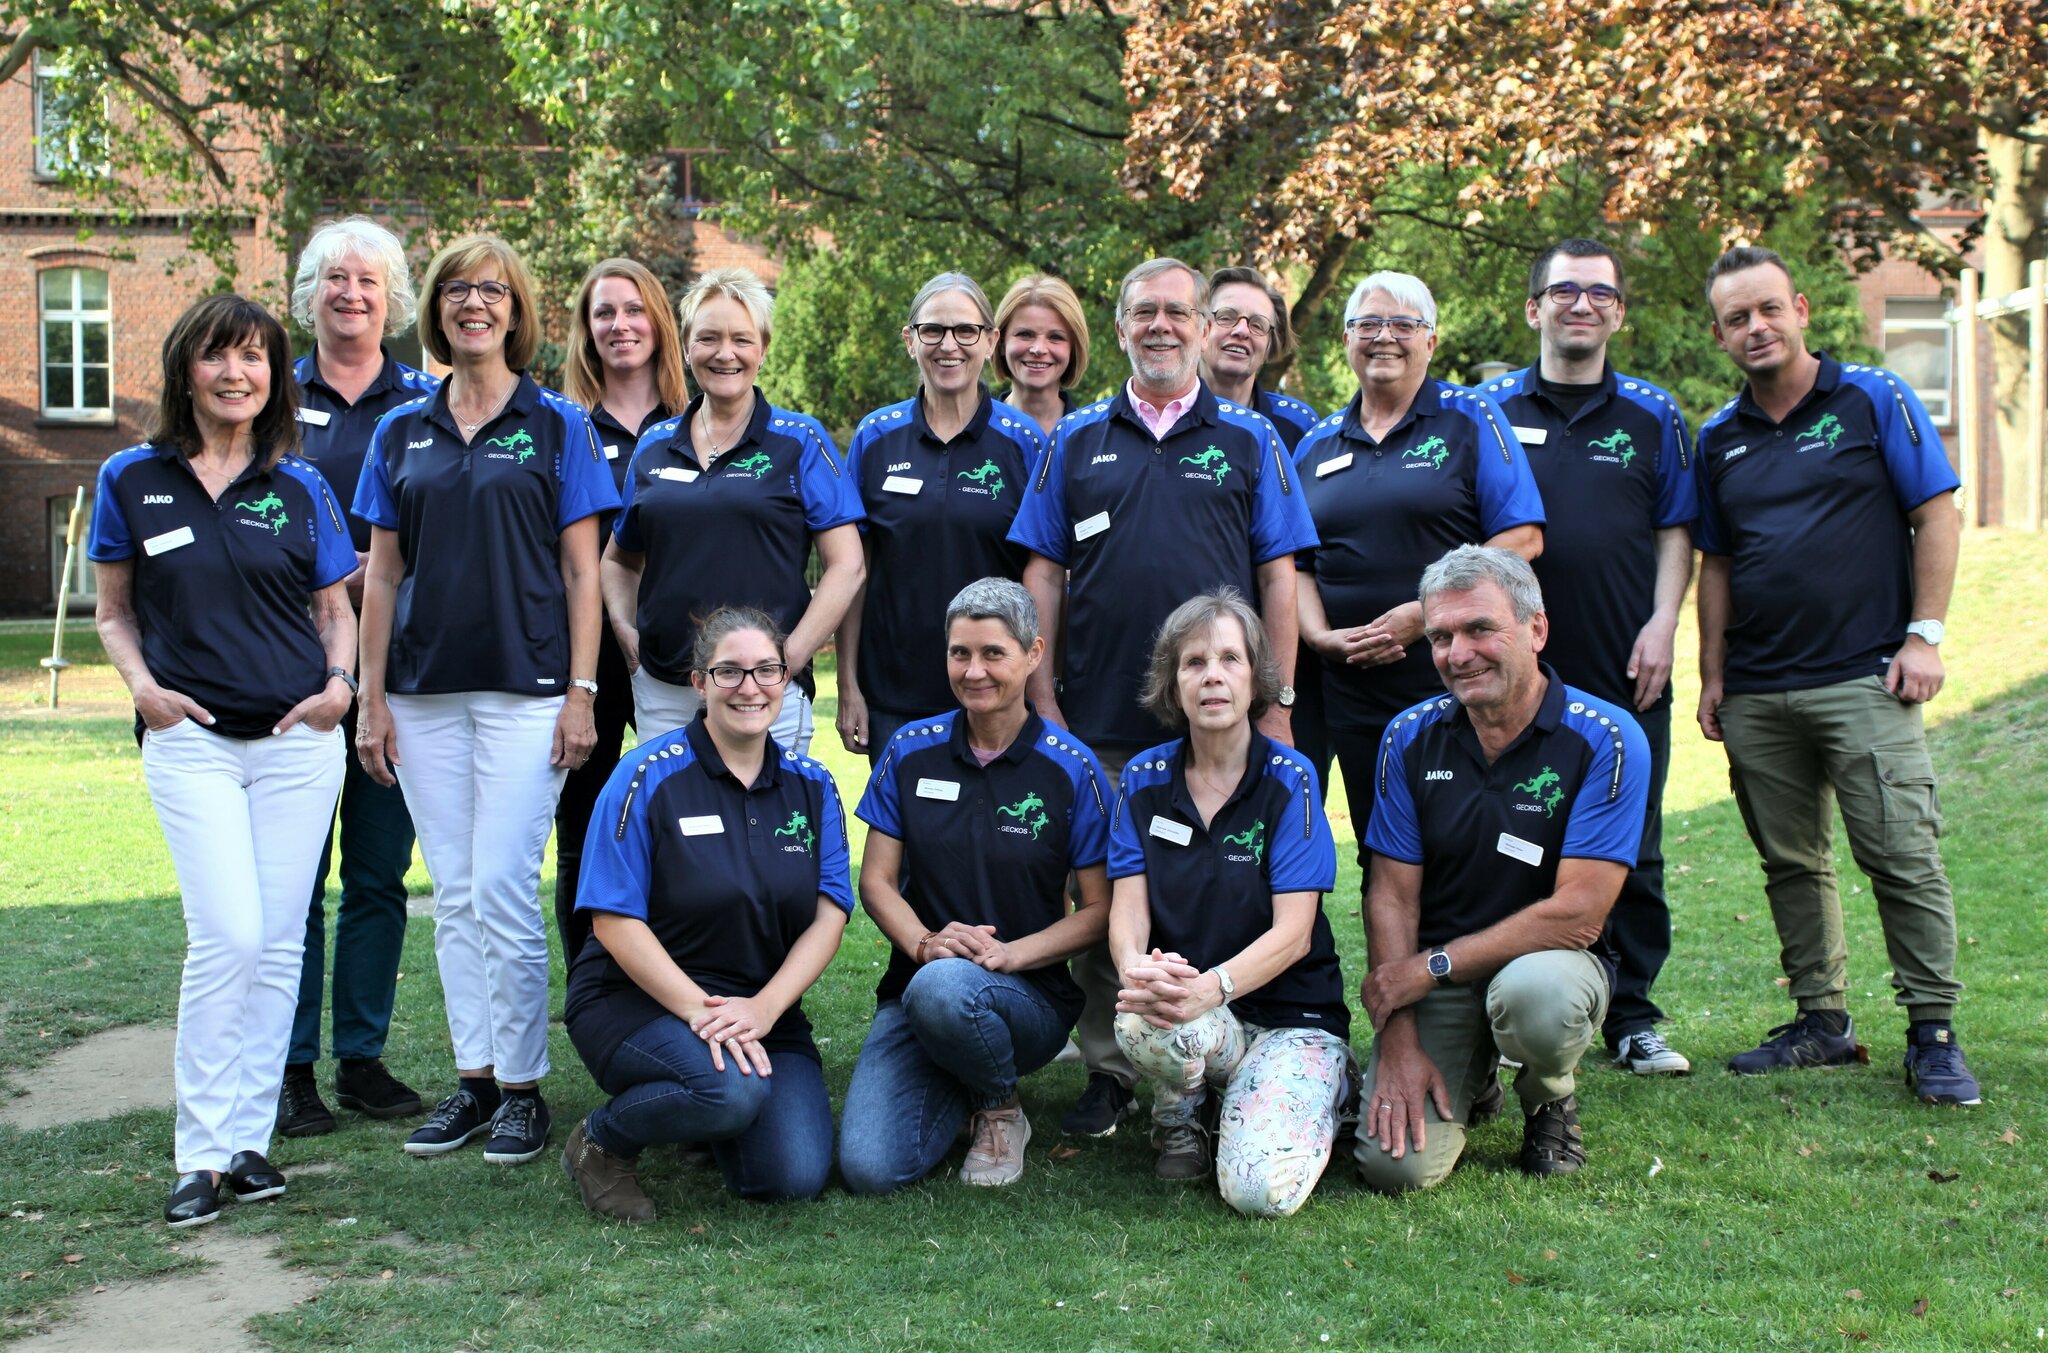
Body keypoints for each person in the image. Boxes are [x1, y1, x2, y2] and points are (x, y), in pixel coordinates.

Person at [1008, 257, 1319, 1140]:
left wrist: (1278, 703)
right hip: (1101, 721)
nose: (1161, 326)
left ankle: (1221, 1045)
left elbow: (1279, 577)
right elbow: (1042, 574)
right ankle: (1114, 1064)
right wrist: (1046, 703)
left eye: (1177, 312)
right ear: (1117, 328)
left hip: (1226, 719)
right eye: (1143, 311)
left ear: (1201, 323)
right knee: (1108, 895)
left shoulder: (1253, 439)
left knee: (1233, 882)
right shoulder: (1073, 442)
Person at [353, 233, 619, 1166]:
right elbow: (382, 578)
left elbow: (584, 574)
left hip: (527, 691)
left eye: (493, 290)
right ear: (435, 308)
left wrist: (583, 692)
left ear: (517, 311)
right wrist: (369, 699)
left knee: (506, 886)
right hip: (422, 695)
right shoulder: (400, 431)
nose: (475, 303)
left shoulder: (561, 428)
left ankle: (522, 1089)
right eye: (458, 290)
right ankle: (472, 1081)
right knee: (455, 893)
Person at [89, 294, 356, 1226]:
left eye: (254, 358)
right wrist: (143, 691)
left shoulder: (303, 485)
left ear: (275, 376)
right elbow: (113, 611)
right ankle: (197, 1153)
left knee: (279, 942)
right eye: (217, 357)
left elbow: (337, 609)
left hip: (296, 744)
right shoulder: (131, 477)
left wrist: (339, 686)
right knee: (228, 936)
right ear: (185, 370)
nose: (236, 374)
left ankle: (248, 1144)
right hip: (191, 741)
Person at [1694, 245, 1978, 1103]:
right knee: (1792, 862)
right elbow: (1717, 564)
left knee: (1900, 855)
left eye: (1768, 309)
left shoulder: (1874, 398)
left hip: (1866, 678)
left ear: (1802, 308)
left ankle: (1932, 1030)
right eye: (1737, 318)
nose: (1756, 327)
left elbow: (1934, 514)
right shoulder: (1716, 438)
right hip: (1758, 688)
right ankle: (1822, 1020)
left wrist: (1924, 636)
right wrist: (1712, 675)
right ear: (1719, 334)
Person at [1355, 546, 1649, 1191]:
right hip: (1436, 979)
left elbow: (1578, 913)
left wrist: (1430, 966)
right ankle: (1474, 1074)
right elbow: (1391, 897)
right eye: (1440, 636)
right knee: (1393, 1169)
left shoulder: (1607, 736)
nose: (1459, 654)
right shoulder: (1407, 736)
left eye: (1480, 628)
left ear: (1535, 629)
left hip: (1544, 966)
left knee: (1536, 998)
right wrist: (1399, 1040)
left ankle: (1548, 1096)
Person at [1477, 238, 1699, 1077]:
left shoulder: (1654, 413)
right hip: (1512, 678)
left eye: (1599, 293)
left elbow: (1676, 528)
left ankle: (1633, 1014)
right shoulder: (1485, 407)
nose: (1581, 304)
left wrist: (1664, 623)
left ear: (1618, 311)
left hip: (1623, 663)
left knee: (1633, 846)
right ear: (1533, 308)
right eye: (1562, 291)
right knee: (1507, 839)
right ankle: (1509, 1009)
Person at [562, 608, 852, 1219]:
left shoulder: (814, 785)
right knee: (730, 1089)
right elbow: (613, 921)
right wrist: (699, 1011)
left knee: (792, 1175)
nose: (750, 687)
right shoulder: (645, 775)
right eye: (729, 672)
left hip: (759, 1007)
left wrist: (765, 1008)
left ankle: (703, 1116)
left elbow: (830, 912)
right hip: (637, 1000)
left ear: (786, 678)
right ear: (699, 683)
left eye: (766, 670)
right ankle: (601, 1141)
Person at [839, 579, 1112, 1193]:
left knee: (946, 990)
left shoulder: (1072, 769)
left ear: (1034, 655)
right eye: (960, 653)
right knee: (871, 1167)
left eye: (994, 653)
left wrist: (1012, 954)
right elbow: (877, 880)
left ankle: (999, 1107)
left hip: (1030, 996)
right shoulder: (910, 751)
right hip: (920, 983)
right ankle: (959, 1074)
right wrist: (925, 944)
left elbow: (1101, 911)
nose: (974, 670)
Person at [1108, 590, 1349, 1216]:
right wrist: (1139, 970)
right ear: (1172, 681)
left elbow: (1295, 934)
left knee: (1257, 1193)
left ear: (1256, 677)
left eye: (1230, 659)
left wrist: (1209, 988)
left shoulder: (1291, 778)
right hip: (1197, 1010)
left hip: (1291, 1019)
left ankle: (1313, 1089)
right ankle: (1185, 1108)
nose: (1212, 675)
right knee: (1138, 1017)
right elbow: (1127, 908)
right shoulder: (1141, 779)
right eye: (1193, 662)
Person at [276, 216, 438, 1138]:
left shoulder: (424, 401)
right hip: (284, 675)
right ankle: (292, 1066)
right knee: (297, 876)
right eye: (333, 279)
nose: (350, 294)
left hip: (393, 673)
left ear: (393, 298)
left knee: (378, 872)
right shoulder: (269, 390)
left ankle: (362, 1056)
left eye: (367, 281)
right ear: (310, 294)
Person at [1295, 270, 1544, 828]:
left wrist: (1425, 614)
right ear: (1346, 341)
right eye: (1368, 324)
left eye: (1404, 324)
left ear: (1430, 342)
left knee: (1470, 840)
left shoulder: (1470, 418)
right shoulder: (1316, 444)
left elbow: (1523, 537)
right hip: (1353, 690)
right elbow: (1298, 566)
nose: (1384, 336)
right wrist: (1320, 638)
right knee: (1380, 846)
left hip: (1460, 679)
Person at [603, 267, 864, 757]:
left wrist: (790, 657)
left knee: (765, 827)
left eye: (741, 339)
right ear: (685, 346)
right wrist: (623, 626)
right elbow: (619, 558)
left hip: (764, 692)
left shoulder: (799, 440)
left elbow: (848, 564)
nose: (725, 353)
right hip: (666, 688)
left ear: (762, 348)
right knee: (673, 828)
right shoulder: (655, 444)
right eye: (708, 338)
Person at [835, 273, 1047, 760]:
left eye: (966, 331)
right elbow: (852, 572)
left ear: (990, 341)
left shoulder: (1025, 441)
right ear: (910, 341)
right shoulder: (875, 439)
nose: (948, 345)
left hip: (996, 691)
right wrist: (849, 686)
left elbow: (1045, 575)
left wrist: (1037, 687)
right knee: (898, 834)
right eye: (933, 330)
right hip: (894, 695)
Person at [553, 259, 687, 963]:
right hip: (591, 656)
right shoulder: (564, 427)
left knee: (688, 815)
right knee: (587, 821)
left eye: (634, 311)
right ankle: (590, 984)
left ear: (659, 324)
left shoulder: (701, 421)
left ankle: (683, 970)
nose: (620, 325)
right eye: (604, 313)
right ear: (586, 332)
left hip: (679, 654)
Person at [1201, 266, 1318, 452]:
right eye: (1226, 317)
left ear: (1271, 343)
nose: (1242, 331)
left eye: (1257, 324)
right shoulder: (1161, 415)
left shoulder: (1298, 426)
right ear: (1200, 328)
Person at [992, 273, 1091, 438]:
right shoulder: (976, 431)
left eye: (1055, 337)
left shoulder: (1092, 438)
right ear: (1000, 343)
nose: (1038, 349)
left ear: (1074, 349)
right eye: (1025, 334)